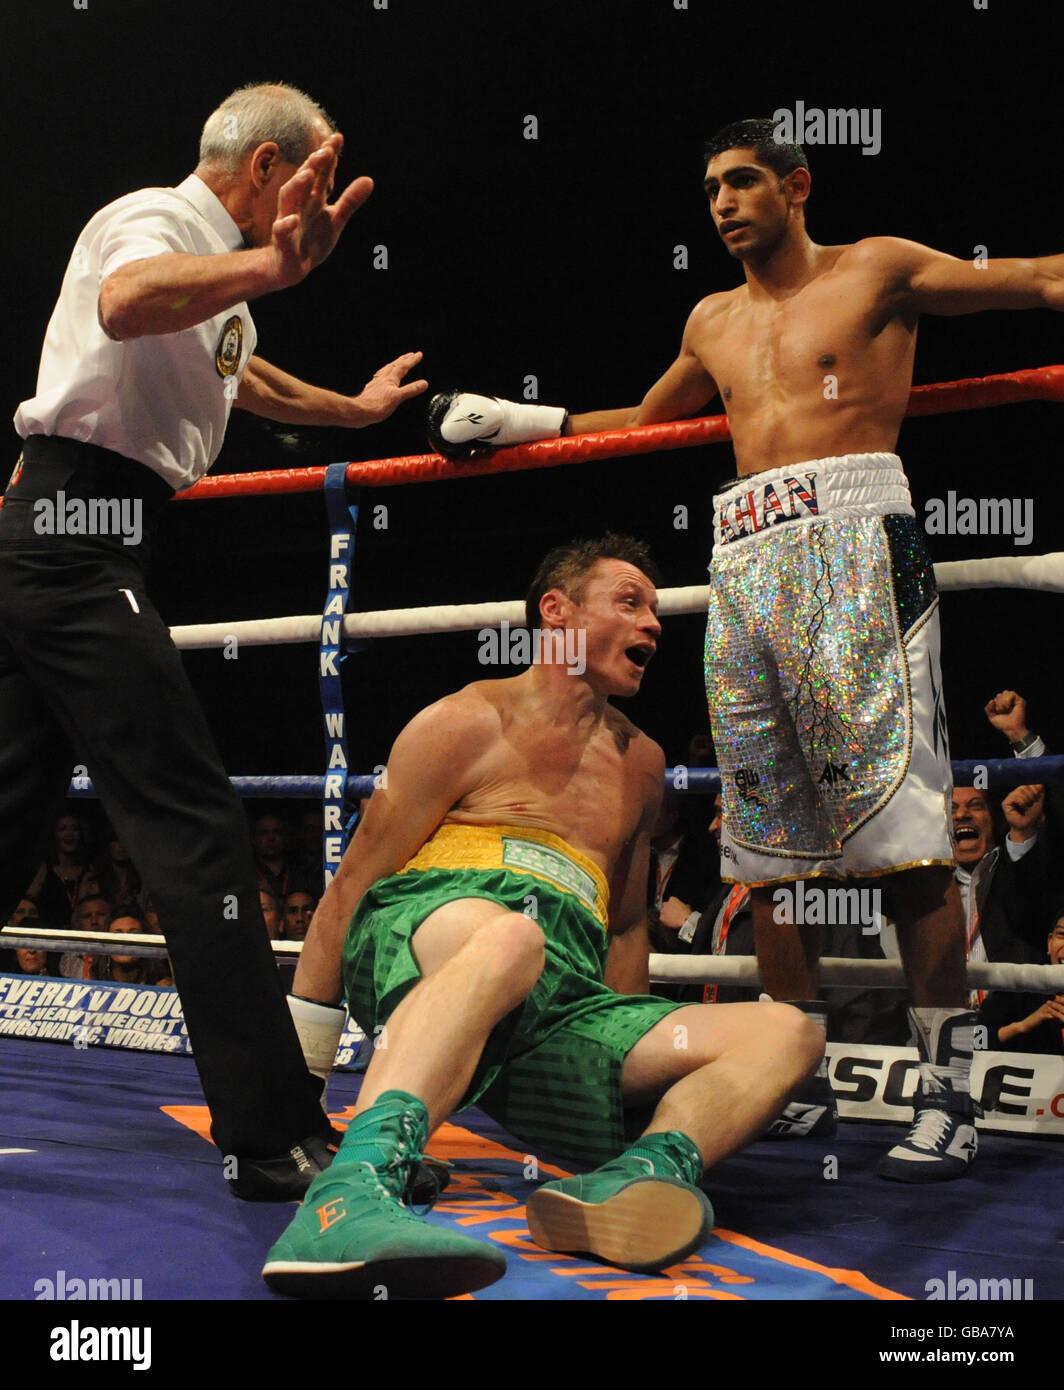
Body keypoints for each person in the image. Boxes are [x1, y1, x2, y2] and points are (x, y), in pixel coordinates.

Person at [428, 115, 1064, 1182]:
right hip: (745, 561)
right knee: (766, 852)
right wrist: (513, 421)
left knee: (904, 838)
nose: (720, 204)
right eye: (709, 190)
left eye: (739, 183)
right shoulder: (710, 318)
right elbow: (636, 418)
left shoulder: (877, 270)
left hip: (856, 548)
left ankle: (946, 1092)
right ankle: (793, 1074)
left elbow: (1039, 280)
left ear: (795, 183)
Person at [0, 82, 427, 1200]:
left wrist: (353, 412)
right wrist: (274, 270)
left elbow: (242, 363)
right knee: (195, 826)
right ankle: (271, 1133)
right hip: (79, 534)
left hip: (65, 537)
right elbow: (131, 301)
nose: (316, 203)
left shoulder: (214, 272)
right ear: (269, 166)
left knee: (5, 826)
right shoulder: (160, 221)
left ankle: (269, 1124)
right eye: (310, 179)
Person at [263, 536, 821, 1299]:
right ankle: (351, 1191)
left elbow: (624, 929)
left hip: (557, 1003)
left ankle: (630, 1181)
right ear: (555, 612)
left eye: (657, 608)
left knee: (789, 1029)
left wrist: (629, 1052)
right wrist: (299, 1090)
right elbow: (354, 881)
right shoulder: (464, 719)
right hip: (423, 934)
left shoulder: (642, 763)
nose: (654, 623)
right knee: (513, 933)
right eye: (630, 601)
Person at [978, 913, 1064, 1056]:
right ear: (1050, 942)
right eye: (1062, 934)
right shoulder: (1018, 992)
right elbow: (973, 1039)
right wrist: (1022, 1026)